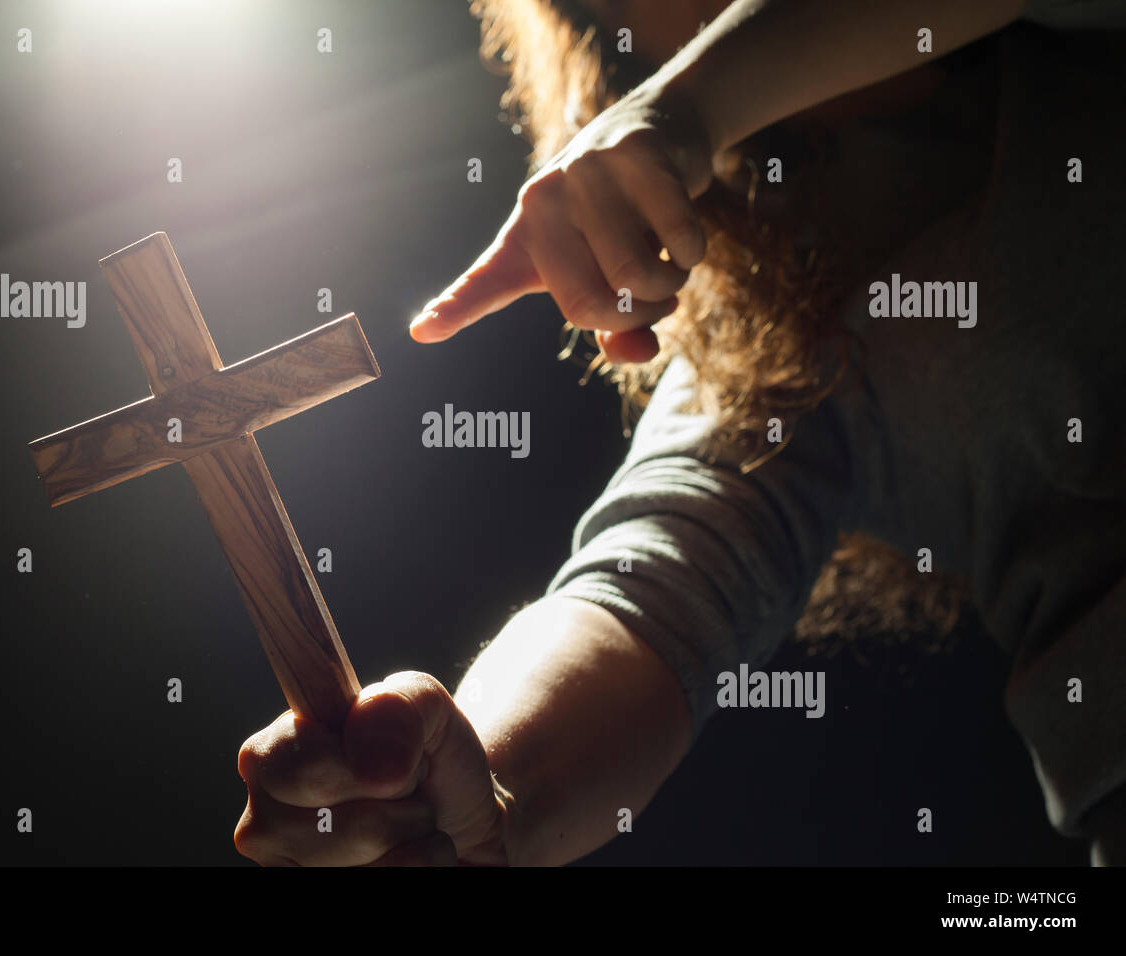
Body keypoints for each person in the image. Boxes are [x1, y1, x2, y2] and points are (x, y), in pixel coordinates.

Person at [233, 0, 1126, 865]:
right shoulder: (771, 347)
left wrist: (696, 103)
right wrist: (468, 790)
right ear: (613, 40)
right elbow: (642, 593)